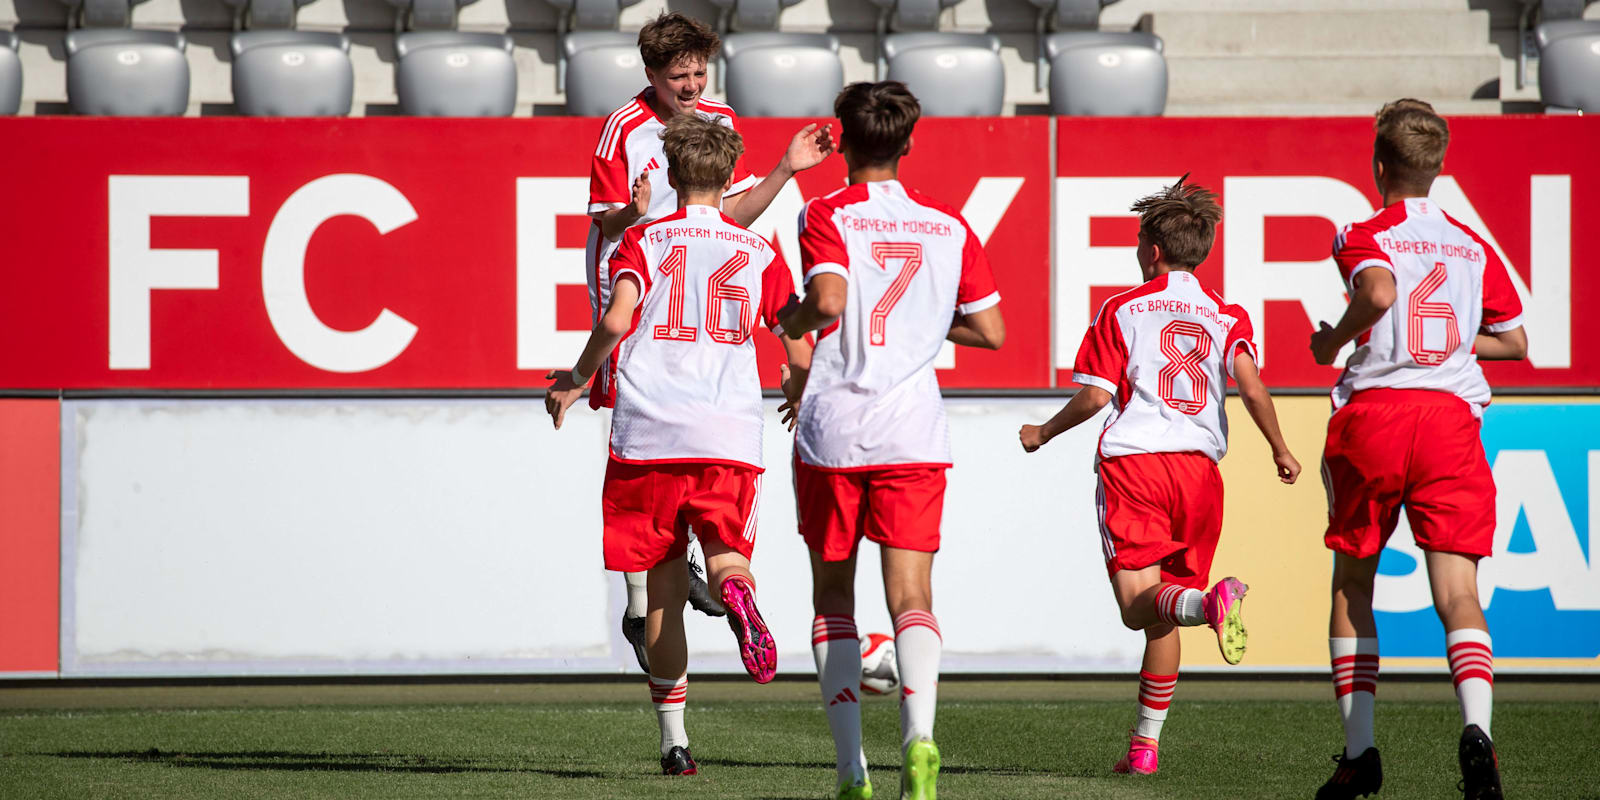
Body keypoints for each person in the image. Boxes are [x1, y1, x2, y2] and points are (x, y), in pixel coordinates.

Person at [547, 115, 814, 776]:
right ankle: (739, 599)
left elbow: (617, 317)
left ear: (669, 175)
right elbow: (795, 329)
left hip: (647, 436)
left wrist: (577, 379)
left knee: (660, 591)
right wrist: (800, 384)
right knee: (726, 556)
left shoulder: (643, 239)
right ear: (729, 179)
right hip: (726, 435)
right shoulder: (757, 251)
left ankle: (675, 742)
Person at [1018, 176, 1301, 778]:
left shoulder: (1120, 309)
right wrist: (1280, 447)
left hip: (1136, 464)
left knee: (1137, 608)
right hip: (1200, 473)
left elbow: (1096, 398)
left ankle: (1210, 600)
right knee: (1165, 615)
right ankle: (1144, 748)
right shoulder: (1227, 313)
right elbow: (1251, 385)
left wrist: (1042, 432)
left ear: (1151, 250)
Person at [583, 11, 835, 670]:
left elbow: (726, 213)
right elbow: (608, 223)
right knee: (693, 463)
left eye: (699, 72)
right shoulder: (621, 129)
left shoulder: (719, 119)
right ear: (652, 76)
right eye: (678, 76)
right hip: (652, 302)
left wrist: (778, 171)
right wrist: (633, 212)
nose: (692, 85)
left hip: (656, 307)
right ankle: (702, 578)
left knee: (643, 451)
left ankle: (645, 608)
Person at [778, 81, 1005, 800]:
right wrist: (920, 329)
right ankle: (921, 739)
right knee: (912, 595)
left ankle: (851, 770)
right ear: (908, 143)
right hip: (914, 431)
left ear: (842, 142)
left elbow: (830, 301)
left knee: (833, 599)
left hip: (835, 429)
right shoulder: (949, 225)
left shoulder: (825, 212)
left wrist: (791, 319)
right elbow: (992, 331)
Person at [1309, 99, 1525, 800]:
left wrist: (1331, 341)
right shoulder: (1470, 244)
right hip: (1450, 421)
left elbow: (1376, 289)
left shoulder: (1364, 232)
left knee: (1353, 585)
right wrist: (1456, 342)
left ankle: (1360, 752)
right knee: (1458, 592)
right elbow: (1516, 342)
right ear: (1438, 169)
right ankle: (1479, 733)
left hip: (1377, 416)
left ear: (1378, 167)